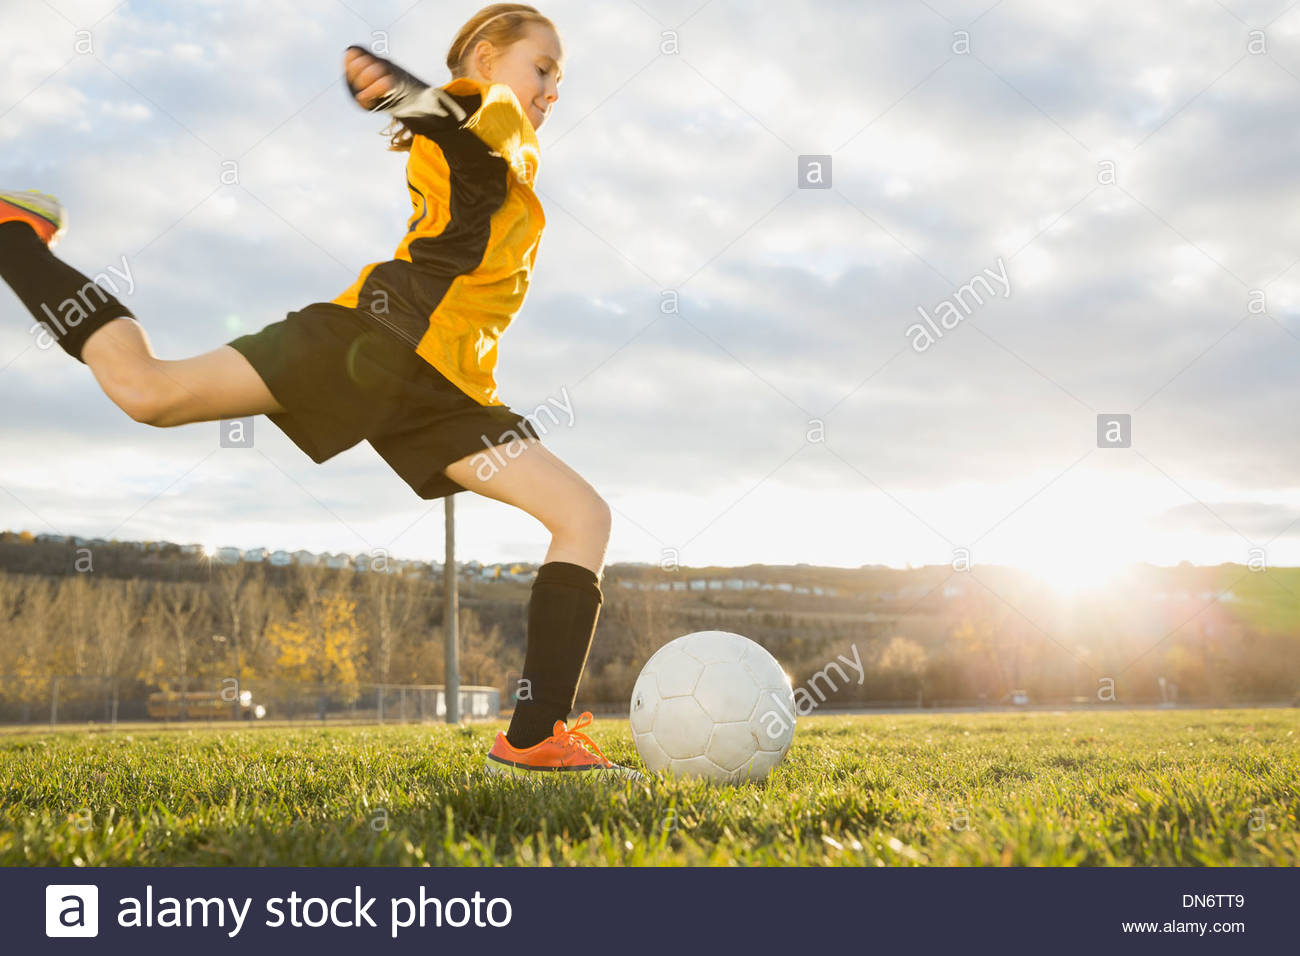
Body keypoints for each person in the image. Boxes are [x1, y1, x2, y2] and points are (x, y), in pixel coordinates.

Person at [0, 3, 639, 779]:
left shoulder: (506, 147)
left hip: (446, 392)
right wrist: (411, 99)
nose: (551, 90)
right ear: (484, 57)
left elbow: (469, 158)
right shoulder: (489, 109)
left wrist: (413, 105)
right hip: (369, 343)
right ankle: (14, 241)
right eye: (544, 68)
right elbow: (470, 133)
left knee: (583, 517)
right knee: (147, 392)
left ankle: (536, 734)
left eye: (558, 78)